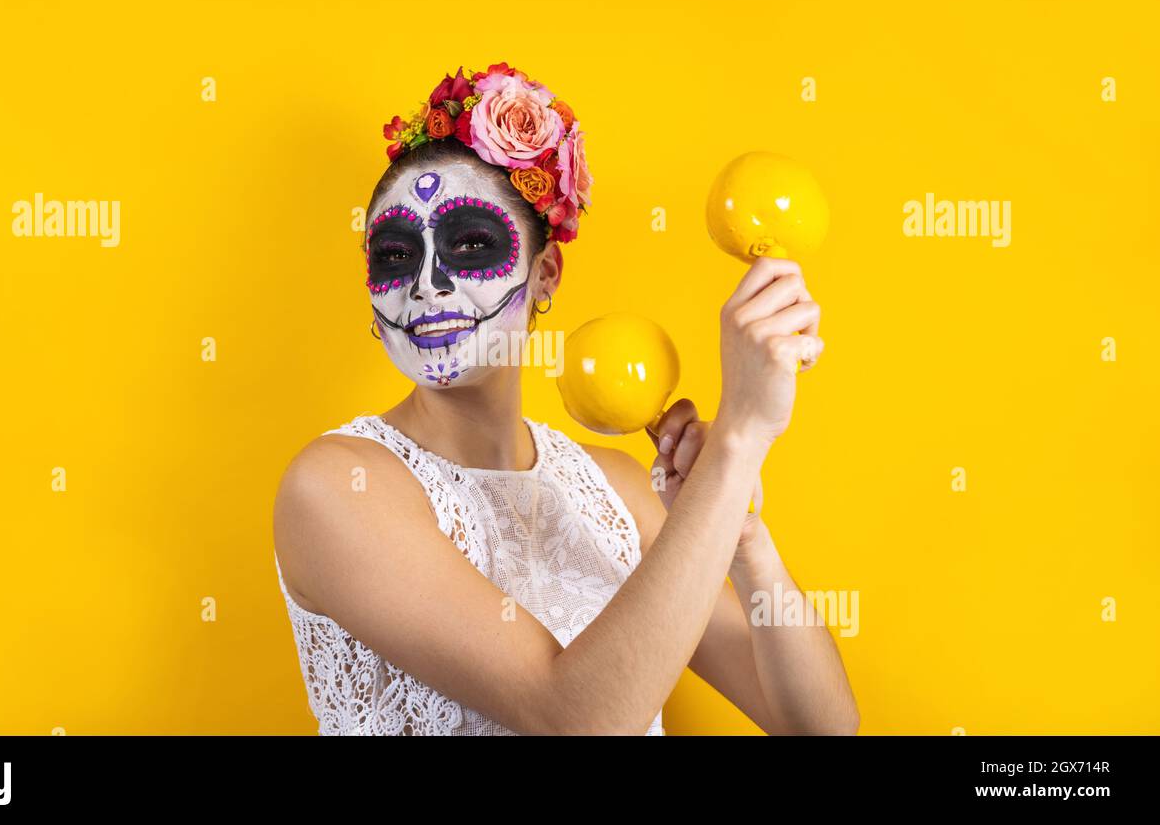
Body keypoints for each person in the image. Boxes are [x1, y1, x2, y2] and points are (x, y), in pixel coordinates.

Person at [273, 62, 858, 735]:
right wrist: (740, 438)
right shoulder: (337, 487)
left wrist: (739, 533)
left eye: (469, 244)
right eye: (397, 255)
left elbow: (821, 726)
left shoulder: (618, 490)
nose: (428, 285)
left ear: (545, 273)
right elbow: (576, 719)